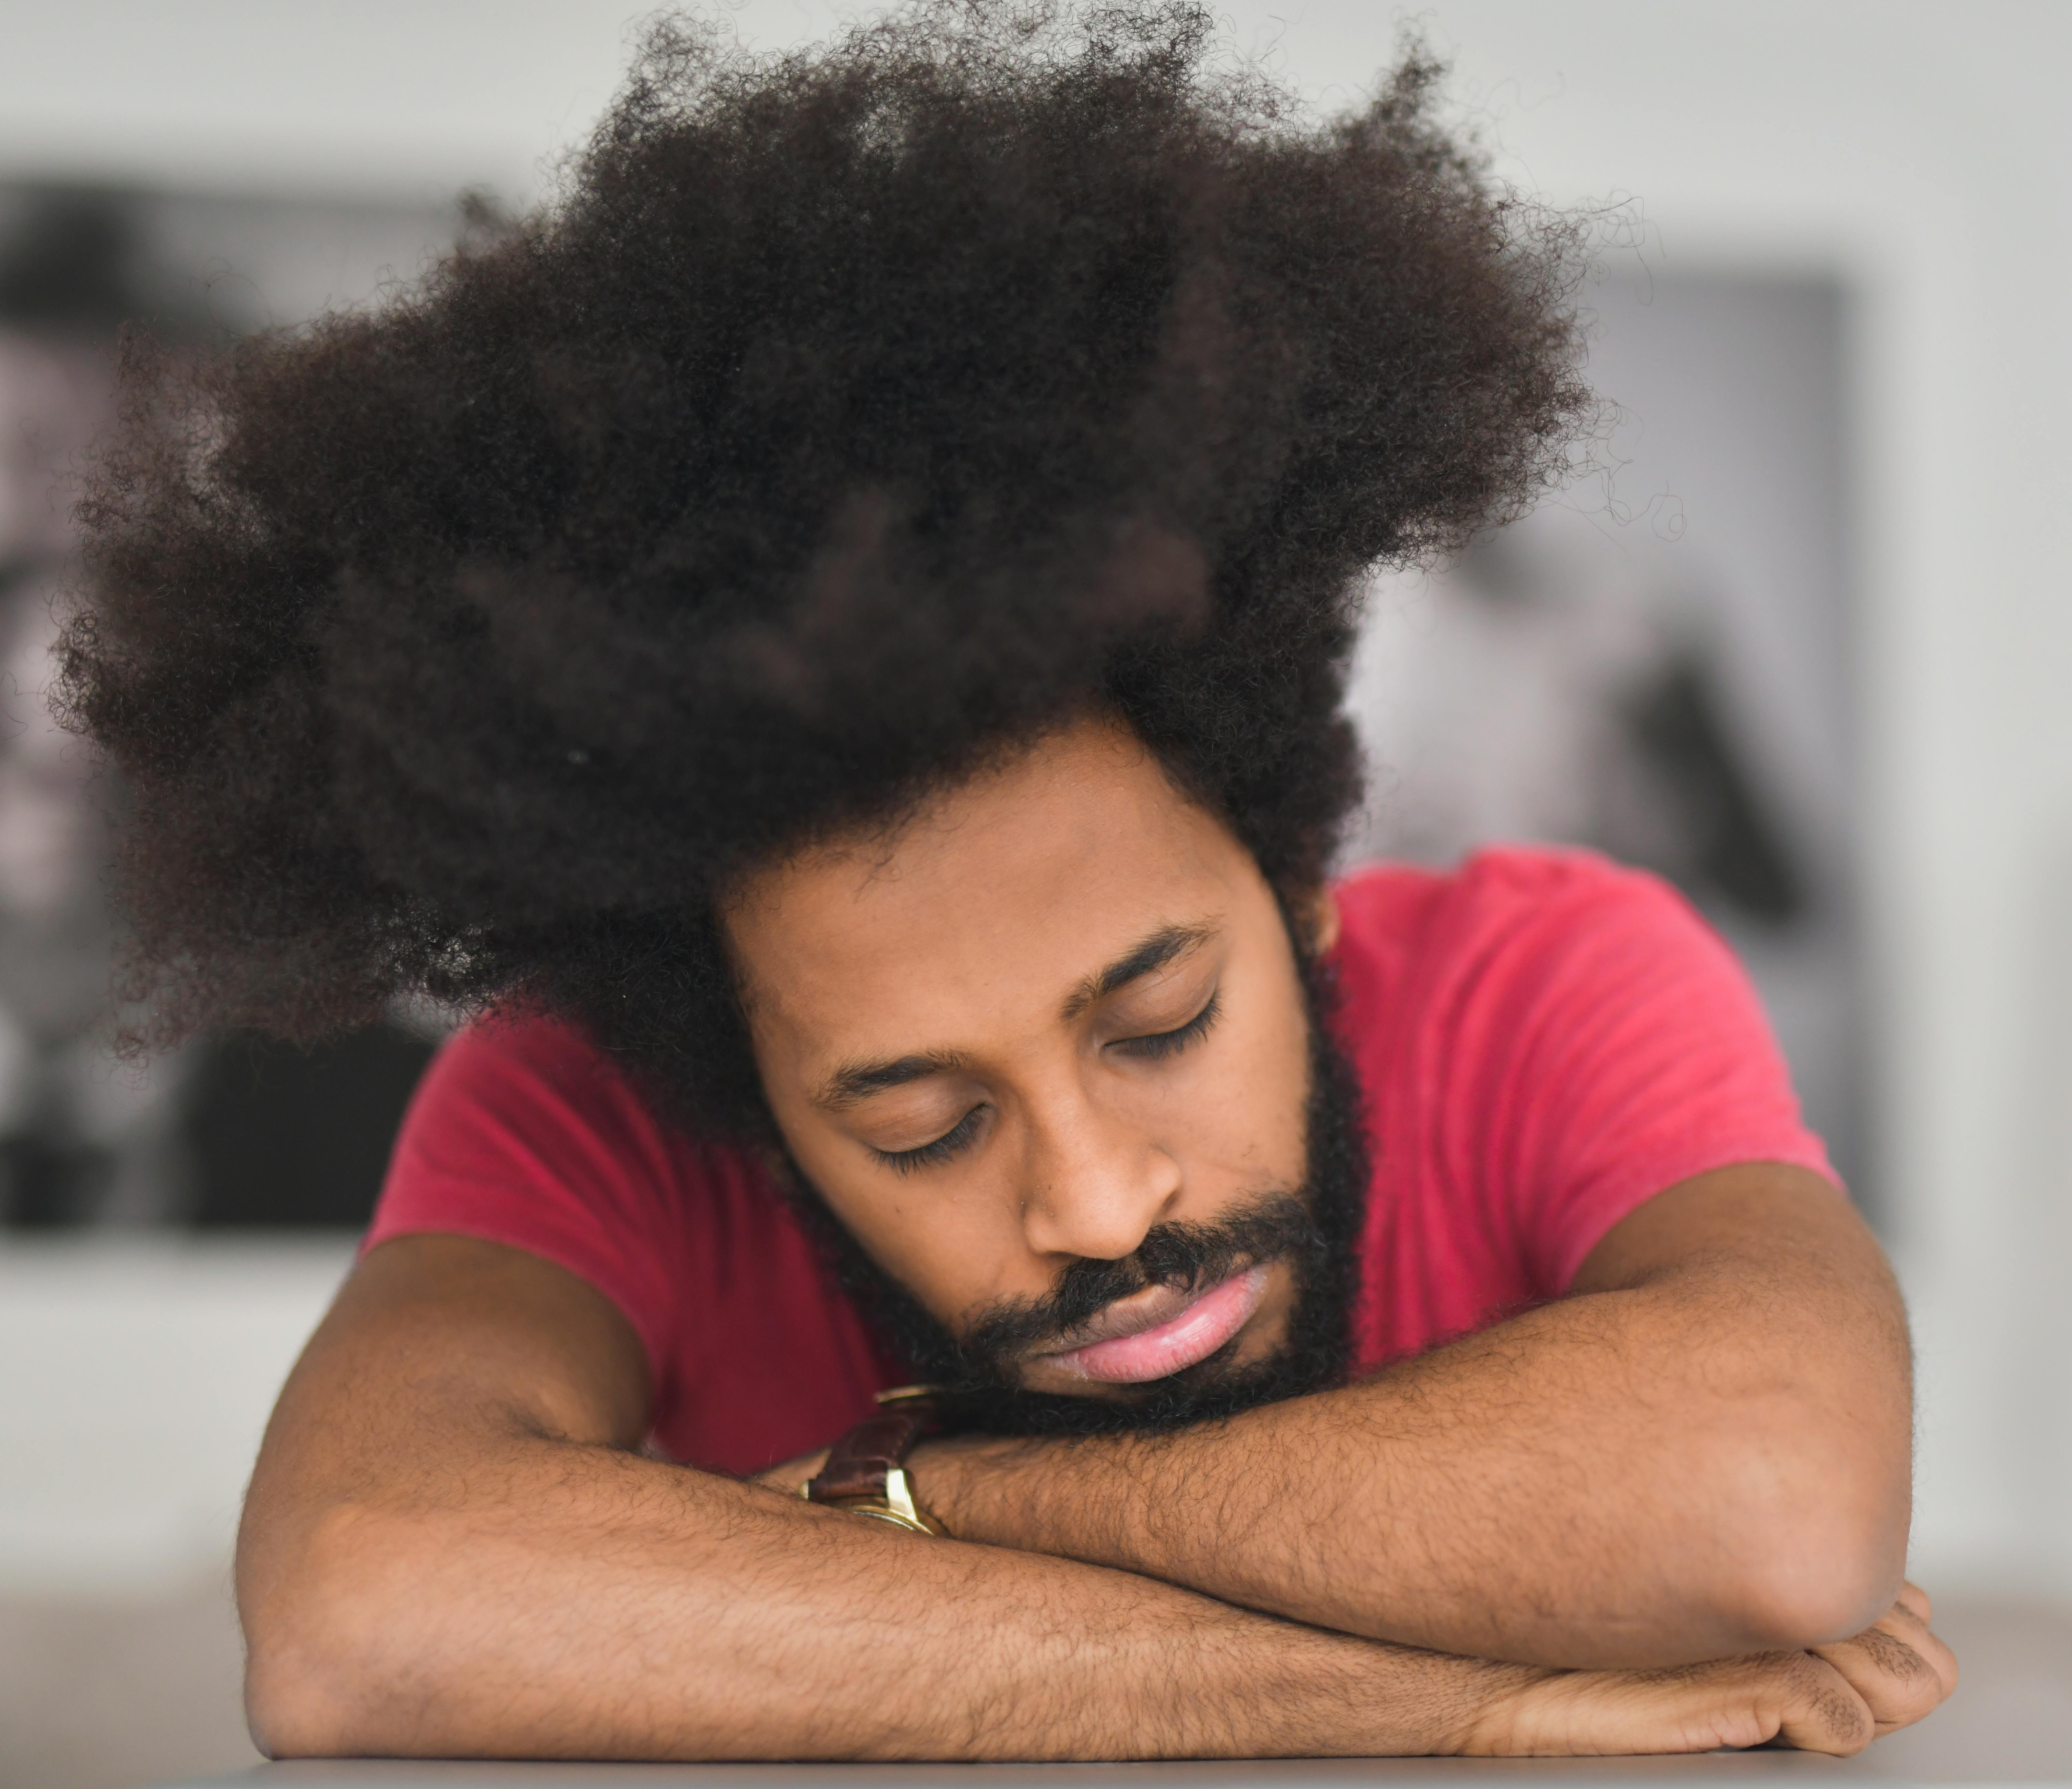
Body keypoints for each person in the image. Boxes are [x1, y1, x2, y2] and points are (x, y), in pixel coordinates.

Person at [60, 3, 1952, 1761]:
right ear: (737, 1076)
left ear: (1295, 875)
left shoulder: (1550, 976)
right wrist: (1427, 1701)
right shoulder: (586, 1114)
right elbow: (362, 1609)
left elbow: (1775, 1498)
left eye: (1157, 1024)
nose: (1095, 1205)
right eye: (918, 1125)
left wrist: (932, 1483)